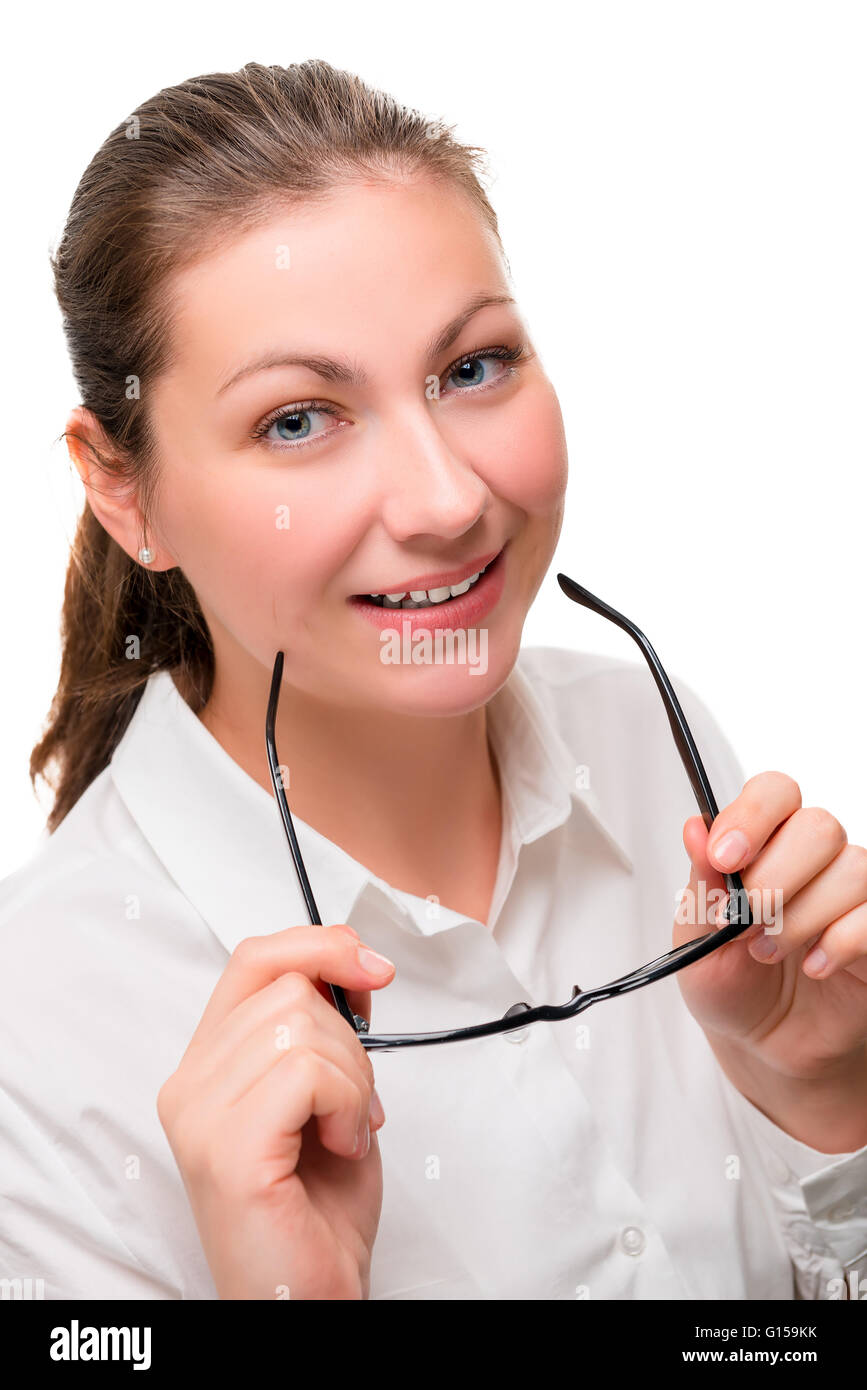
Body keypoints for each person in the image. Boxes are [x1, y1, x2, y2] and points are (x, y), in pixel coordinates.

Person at [2, 58, 865, 1302]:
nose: (452, 500)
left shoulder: (644, 747)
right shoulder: (30, 1048)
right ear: (123, 489)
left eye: (472, 369)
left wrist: (824, 1104)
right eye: (298, 419)